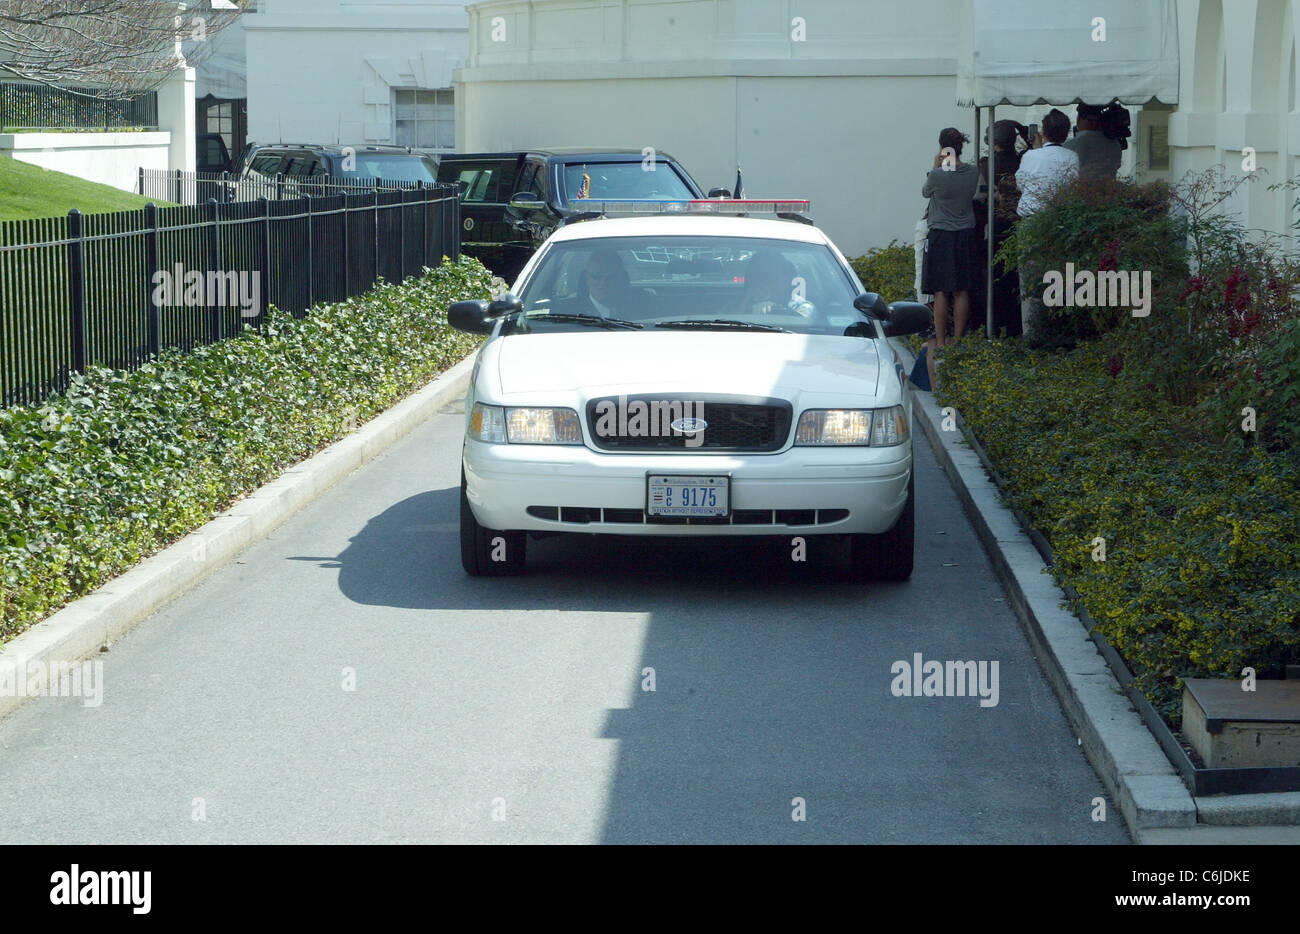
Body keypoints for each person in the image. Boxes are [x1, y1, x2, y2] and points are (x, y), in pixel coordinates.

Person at [1014, 109, 1079, 344]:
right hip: (1060, 223)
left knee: (1030, 281)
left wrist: (1036, 148)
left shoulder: (1031, 156)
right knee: (1058, 280)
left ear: (1042, 131)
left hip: (1032, 222)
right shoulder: (1072, 157)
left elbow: (1021, 184)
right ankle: (1056, 332)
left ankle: (1031, 336)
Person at [920, 127, 980, 349]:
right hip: (965, 233)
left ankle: (941, 338)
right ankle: (958, 338)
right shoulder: (972, 172)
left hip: (941, 234)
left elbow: (926, 192)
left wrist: (936, 166)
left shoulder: (937, 174)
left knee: (941, 289)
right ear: (961, 147)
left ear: (941, 147)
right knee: (961, 289)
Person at [556, 249, 632, 317]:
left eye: (610, 277)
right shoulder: (567, 314)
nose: (603, 283)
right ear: (586, 279)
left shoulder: (639, 308)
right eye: (596, 277)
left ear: (621, 279)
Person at [1063, 103, 1122, 182]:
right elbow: (1117, 165)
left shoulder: (1070, 145)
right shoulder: (1115, 144)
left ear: (1079, 119)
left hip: (1079, 192)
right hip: (1109, 191)